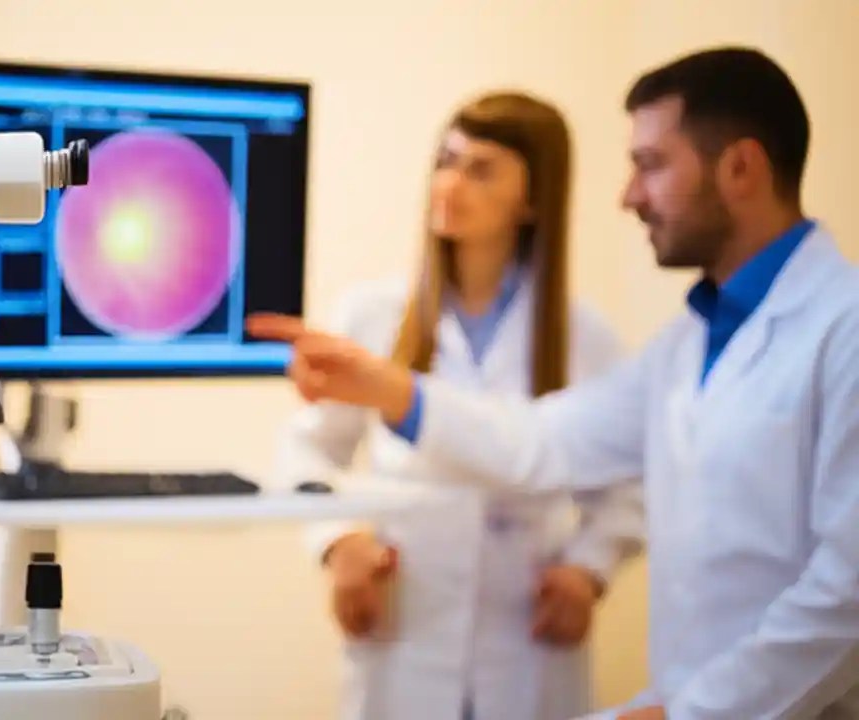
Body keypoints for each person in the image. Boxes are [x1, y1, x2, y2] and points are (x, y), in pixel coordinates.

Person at [252, 46, 859, 719]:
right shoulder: (689, 343)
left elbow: (847, 595)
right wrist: (392, 390)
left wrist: (677, 699)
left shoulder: (844, 329)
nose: (628, 196)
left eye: (651, 166)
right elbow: (540, 440)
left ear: (741, 167)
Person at [273, 91, 645, 720]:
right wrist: (341, 544)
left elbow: (632, 484)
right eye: (446, 160)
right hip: (403, 627)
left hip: (525, 638)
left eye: (481, 168)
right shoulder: (375, 314)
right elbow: (307, 448)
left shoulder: (583, 335)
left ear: (532, 198)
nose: (450, 182)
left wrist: (588, 570)